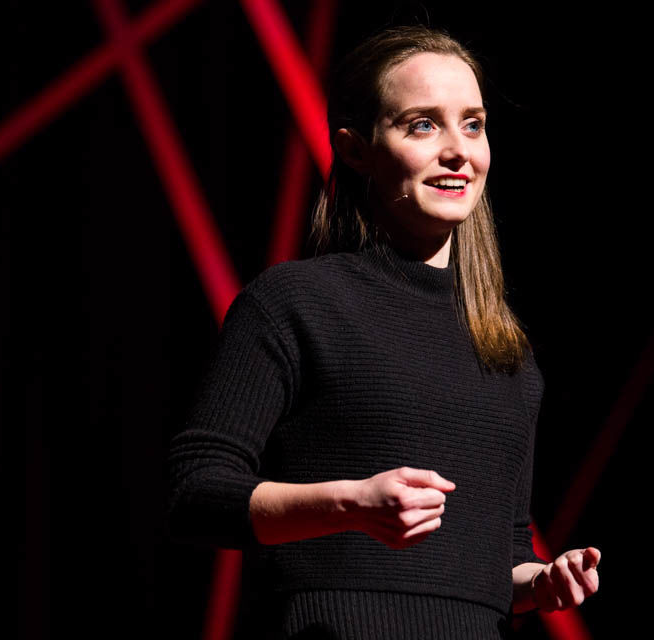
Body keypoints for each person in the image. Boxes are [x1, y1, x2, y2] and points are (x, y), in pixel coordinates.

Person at [165, 24, 601, 639]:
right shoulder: (296, 303)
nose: (458, 151)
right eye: (423, 125)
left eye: (472, 125)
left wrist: (540, 581)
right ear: (355, 150)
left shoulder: (506, 349)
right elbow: (193, 492)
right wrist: (351, 504)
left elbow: (496, 558)